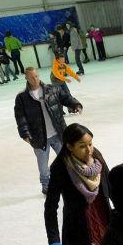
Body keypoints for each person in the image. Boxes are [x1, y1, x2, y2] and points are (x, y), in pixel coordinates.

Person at [14, 66, 83, 194]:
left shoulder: (52, 89)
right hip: (39, 137)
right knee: (43, 166)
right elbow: (20, 117)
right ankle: (46, 185)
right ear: (26, 78)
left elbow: (66, 98)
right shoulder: (22, 98)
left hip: (58, 133)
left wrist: (75, 105)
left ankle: (72, 180)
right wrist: (25, 134)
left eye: (36, 76)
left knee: (66, 159)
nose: (35, 79)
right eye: (31, 77)